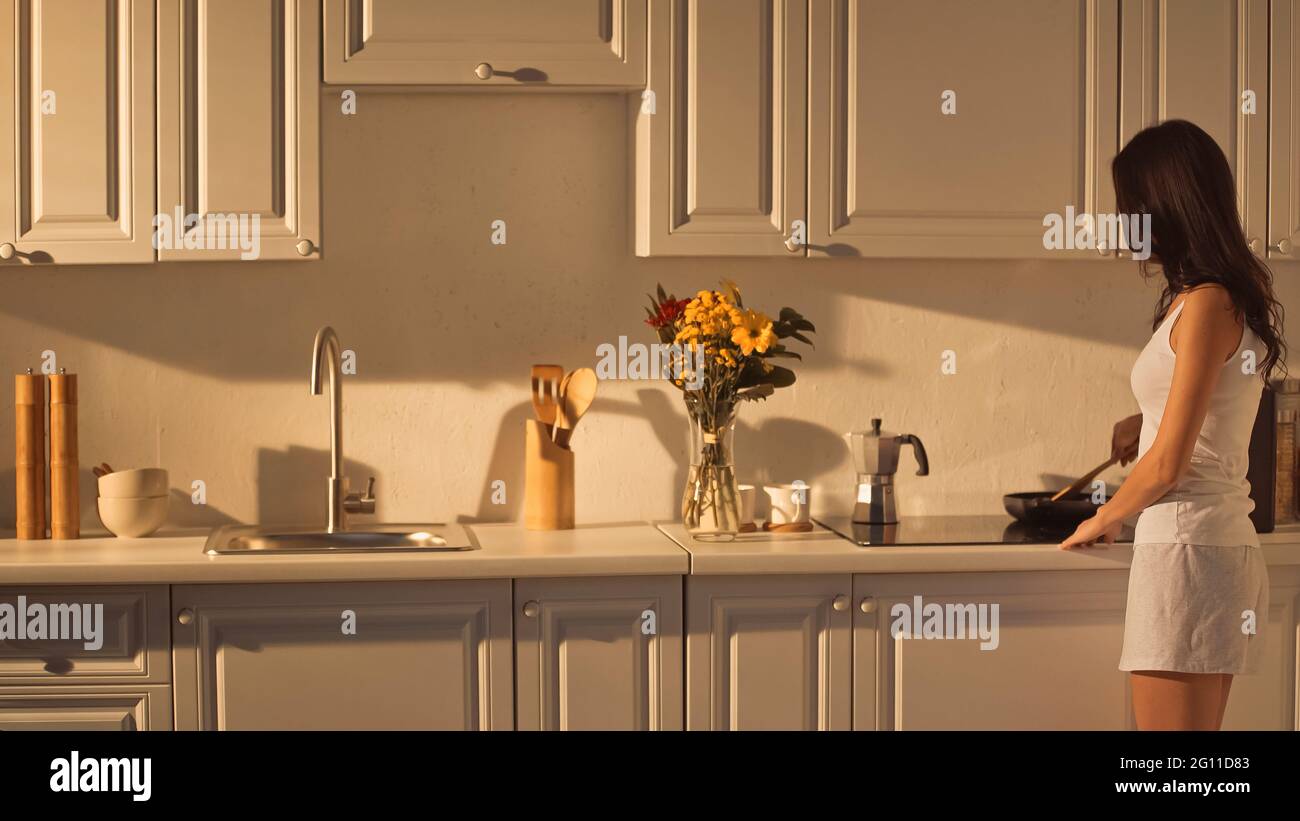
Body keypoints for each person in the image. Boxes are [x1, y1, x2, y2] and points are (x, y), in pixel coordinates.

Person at [1060, 120, 1286, 731]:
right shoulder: (1210, 298)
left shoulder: (1209, 301)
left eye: (1130, 206)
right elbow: (1212, 405)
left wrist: (1103, 517)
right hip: (1207, 549)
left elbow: (1168, 465)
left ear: (1165, 205)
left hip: (1188, 553)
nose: (1123, 222)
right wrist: (1148, 415)